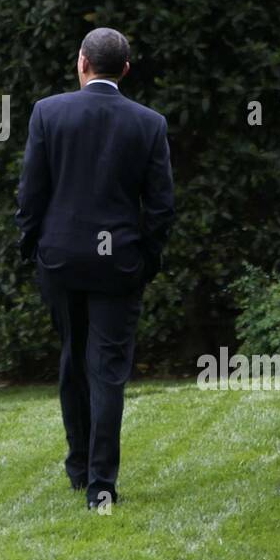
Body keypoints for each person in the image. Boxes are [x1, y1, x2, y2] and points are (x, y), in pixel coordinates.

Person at [14, 27, 175, 509]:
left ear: (82, 62)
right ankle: (101, 482)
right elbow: (162, 207)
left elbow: (31, 192)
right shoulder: (149, 122)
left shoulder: (48, 112)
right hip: (119, 263)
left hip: (60, 260)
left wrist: (31, 247)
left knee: (72, 359)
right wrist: (146, 257)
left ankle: (79, 465)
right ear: (125, 69)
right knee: (106, 370)